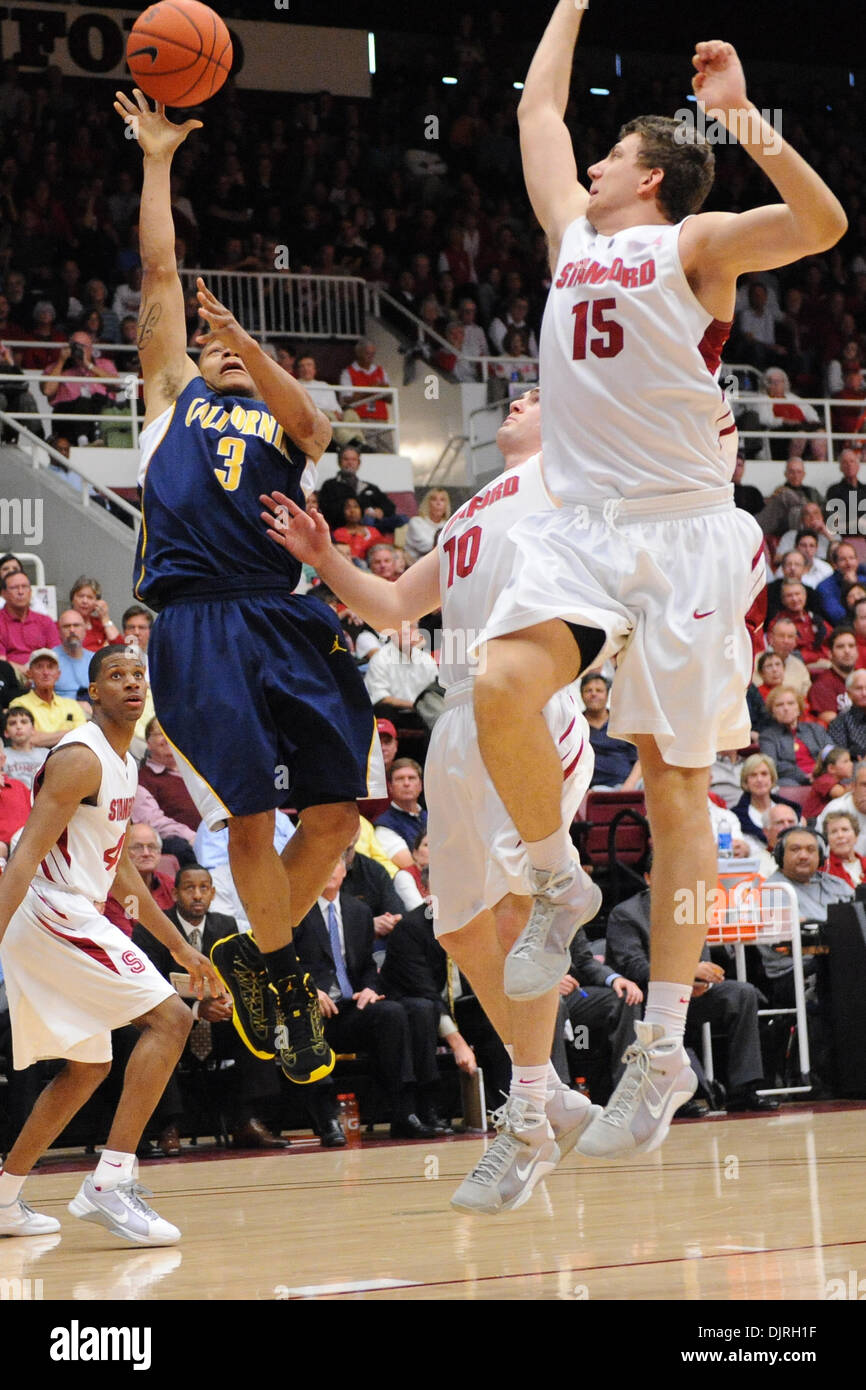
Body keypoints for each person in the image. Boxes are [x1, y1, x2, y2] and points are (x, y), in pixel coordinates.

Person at [465, 14, 846, 1160]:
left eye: (606, 156)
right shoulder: (570, 235)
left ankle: (664, 1042)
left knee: (677, 788)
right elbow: (536, 109)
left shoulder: (697, 243)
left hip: (681, 535)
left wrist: (743, 121)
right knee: (494, 683)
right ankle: (556, 880)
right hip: (581, 529)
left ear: (649, 177)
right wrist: (570, 3)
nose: (584, 163)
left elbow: (823, 223)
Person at [262, 385, 600, 1214]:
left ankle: (524, 1117)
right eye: (515, 393)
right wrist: (324, 557)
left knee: (521, 914)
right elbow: (394, 604)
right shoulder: (471, 510)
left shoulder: (575, 468)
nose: (521, 396)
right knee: (454, 925)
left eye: (537, 392)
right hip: (455, 716)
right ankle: (545, 1090)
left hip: (522, 702)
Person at [115, 88, 384, 1088]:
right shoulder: (167, 402)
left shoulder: (282, 419)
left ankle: (262, 951)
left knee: (339, 817)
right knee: (249, 818)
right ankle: (276, 971)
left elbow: (314, 426)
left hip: (288, 613)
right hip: (198, 622)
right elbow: (157, 273)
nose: (217, 349)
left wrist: (254, 350)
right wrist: (155, 160)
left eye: (232, 344)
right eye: (212, 344)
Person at [0, 647, 222, 1244]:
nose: (130, 683)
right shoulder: (80, 758)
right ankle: (109, 1183)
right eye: (115, 676)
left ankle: (3, 1199)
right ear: (92, 693)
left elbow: (121, 869)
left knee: (87, 1068)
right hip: (52, 909)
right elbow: (22, 859)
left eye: (137, 675)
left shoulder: (124, 764)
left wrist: (181, 948)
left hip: (72, 910)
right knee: (172, 1020)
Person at [133, 865, 289, 1151]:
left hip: (216, 1025)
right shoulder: (153, 929)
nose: (197, 895)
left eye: (204, 888)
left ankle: (247, 1121)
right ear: (175, 893)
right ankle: (168, 1127)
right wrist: (196, 1009)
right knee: (155, 1035)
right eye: (189, 888)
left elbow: (241, 979)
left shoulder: (226, 926)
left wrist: (228, 1003)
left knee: (254, 1020)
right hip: (171, 1020)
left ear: (213, 893)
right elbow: (146, 986)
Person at [293, 856, 440, 1139]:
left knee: (392, 1013)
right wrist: (308, 989)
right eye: (323, 863)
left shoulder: (358, 911)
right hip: (312, 1007)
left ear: (345, 870)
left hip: (350, 1006)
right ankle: (328, 1120)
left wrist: (371, 987)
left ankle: (403, 1111)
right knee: (305, 1024)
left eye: (334, 862)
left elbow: (368, 966)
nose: (328, 869)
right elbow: (284, 961)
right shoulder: (295, 911)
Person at [8, 648, 87, 748]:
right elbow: (28, 740)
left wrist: (45, 738)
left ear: (58, 674)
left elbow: (83, 737)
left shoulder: (71, 705)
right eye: (39, 667)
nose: (45, 672)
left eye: (50, 667)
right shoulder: (19, 704)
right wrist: (71, 733)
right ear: (29, 674)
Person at [580, 671, 642, 789]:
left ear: (607, 695)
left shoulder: (622, 722)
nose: (594, 694)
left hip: (631, 785)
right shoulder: (577, 726)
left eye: (599, 690)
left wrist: (628, 786)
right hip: (596, 791)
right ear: (582, 695)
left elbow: (640, 761)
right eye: (588, 690)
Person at [758, 686, 828, 784]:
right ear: (772, 712)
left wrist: (821, 773)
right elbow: (772, 764)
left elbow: (831, 751)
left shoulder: (815, 729)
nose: (786, 708)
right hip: (792, 780)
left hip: (823, 776)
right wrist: (805, 777)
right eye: (779, 705)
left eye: (791, 703)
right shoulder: (767, 737)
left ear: (799, 708)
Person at [0, 571, 60, 683]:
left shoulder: (45, 621)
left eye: (25, 587)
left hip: (45, 677)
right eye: (14, 588)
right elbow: (1, 662)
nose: (21, 592)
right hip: (11, 679)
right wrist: (28, 671)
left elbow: (57, 655)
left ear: (31, 591)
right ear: (3, 593)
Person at [69, 576, 123, 653]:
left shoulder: (99, 624)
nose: (85, 601)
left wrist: (105, 618)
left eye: (90, 597)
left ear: (97, 602)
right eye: (81, 596)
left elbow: (120, 648)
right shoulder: (64, 625)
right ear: (72, 599)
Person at [802, 746, 853, 821]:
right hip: (812, 822)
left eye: (850, 760)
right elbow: (841, 794)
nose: (851, 764)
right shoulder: (824, 780)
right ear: (831, 768)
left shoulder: (840, 783)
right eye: (846, 761)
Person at [1, 706, 46, 790]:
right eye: (12, 723)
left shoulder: (45, 754)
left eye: (24, 722)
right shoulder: (2, 754)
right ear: (6, 733)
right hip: (13, 798)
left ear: (33, 729)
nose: (18, 726)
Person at [52, 609, 92, 701]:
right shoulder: (49, 659)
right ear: (59, 632)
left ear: (85, 629)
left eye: (76, 625)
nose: (72, 630)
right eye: (66, 626)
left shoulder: (95, 659)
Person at [404, 490, 452, 564]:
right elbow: (426, 546)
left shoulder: (448, 524)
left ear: (446, 505)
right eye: (434, 499)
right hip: (415, 564)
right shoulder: (416, 522)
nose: (438, 503)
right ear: (427, 504)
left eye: (442, 500)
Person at [827, 669, 866, 760]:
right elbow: (839, 757)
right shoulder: (840, 722)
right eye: (859, 689)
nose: (864, 693)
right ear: (848, 694)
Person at [822, 809, 866, 889]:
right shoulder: (823, 869)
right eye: (834, 832)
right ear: (827, 840)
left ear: (856, 836)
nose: (840, 835)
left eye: (845, 830)